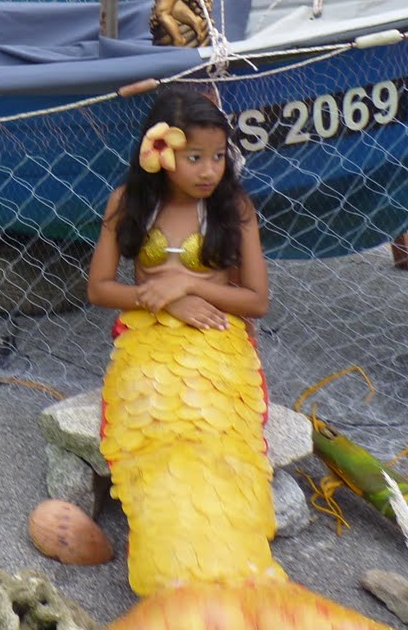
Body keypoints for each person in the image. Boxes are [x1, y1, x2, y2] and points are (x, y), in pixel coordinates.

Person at [87, 88, 273, 597]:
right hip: (149, 338)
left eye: (218, 156)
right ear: (161, 154)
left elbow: (256, 300)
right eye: (195, 158)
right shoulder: (127, 202)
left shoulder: (233, 207)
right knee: (157, 424)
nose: (209, 170)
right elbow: (100, 287)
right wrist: (165, 302)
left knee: (212, 433)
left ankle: (229, 561)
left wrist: (187, 284)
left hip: (217, 336)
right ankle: (168, 557)